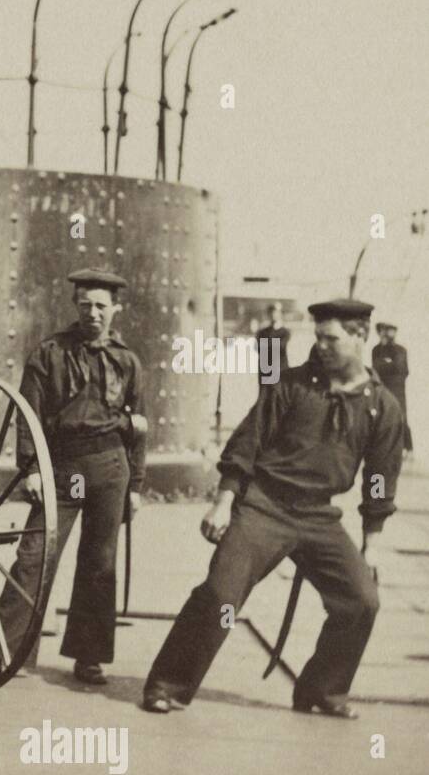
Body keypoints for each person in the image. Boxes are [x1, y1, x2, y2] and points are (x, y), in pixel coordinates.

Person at [142, 298, 403, 719]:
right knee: (221, 597)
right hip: (264, 505)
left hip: (319, 516)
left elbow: (379, 479)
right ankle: (167, 684)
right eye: (317, 337)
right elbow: (248, 442)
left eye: (331, 338)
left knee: (360, 601)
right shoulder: (291, 384)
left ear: (360, 336)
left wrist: (372, 546)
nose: (321, 345)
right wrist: (224, 501)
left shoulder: (382, 408)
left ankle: (322, 690)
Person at [0, 268, 145, 686]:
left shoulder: (128, 362)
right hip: (61, 468)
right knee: (34, 558)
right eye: (85, 304)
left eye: (101, 305)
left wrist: (135, 486)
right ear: (75, 306)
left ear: (116, 308)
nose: (93, 313)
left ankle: (89, 656)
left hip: (111, 469)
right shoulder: (49, 354)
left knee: (100, 565)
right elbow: (29, 417)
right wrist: (31, 470)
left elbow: (139, 428)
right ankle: (0, 651)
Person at [372, 320, 411, 452]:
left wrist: (386, 365)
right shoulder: (376, 350)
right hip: (382, 388)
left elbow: (401, 370)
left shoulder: (400, 350)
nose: (386, 334)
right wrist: (387, 364)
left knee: (401, 416)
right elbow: (376, 367)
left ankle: (407, 447)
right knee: (381, 416)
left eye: (389, 331)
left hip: (397, 389)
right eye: (383, 331)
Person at [255, 302, 292, 385]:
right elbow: (259, 348)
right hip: (265, 370)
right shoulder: (262, 332)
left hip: (280, 371)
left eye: (276, 312)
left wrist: (267, 345)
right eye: (271, 312)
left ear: (281, 314)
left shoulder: (285, 332)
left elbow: (280, 347)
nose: (274, 315)